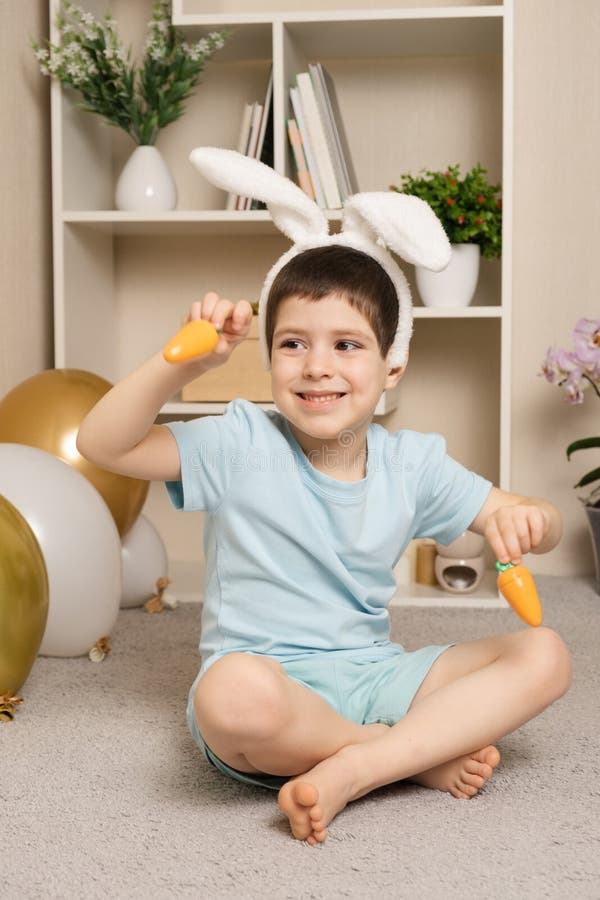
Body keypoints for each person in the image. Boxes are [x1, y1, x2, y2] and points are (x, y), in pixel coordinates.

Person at [77, 151, 571, 846]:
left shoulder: (412, 462)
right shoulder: (242, 440)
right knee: (228, 696)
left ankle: (362, 764)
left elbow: (525, 519)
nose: (318, 367)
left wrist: (531, 520)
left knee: (545, 653)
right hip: (272, 691)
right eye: (293, 344)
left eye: (347, 344)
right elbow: (104, 445)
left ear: (392, 364)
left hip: (375, 675)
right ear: (267, 357)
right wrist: (180, 365)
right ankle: (397, 755)